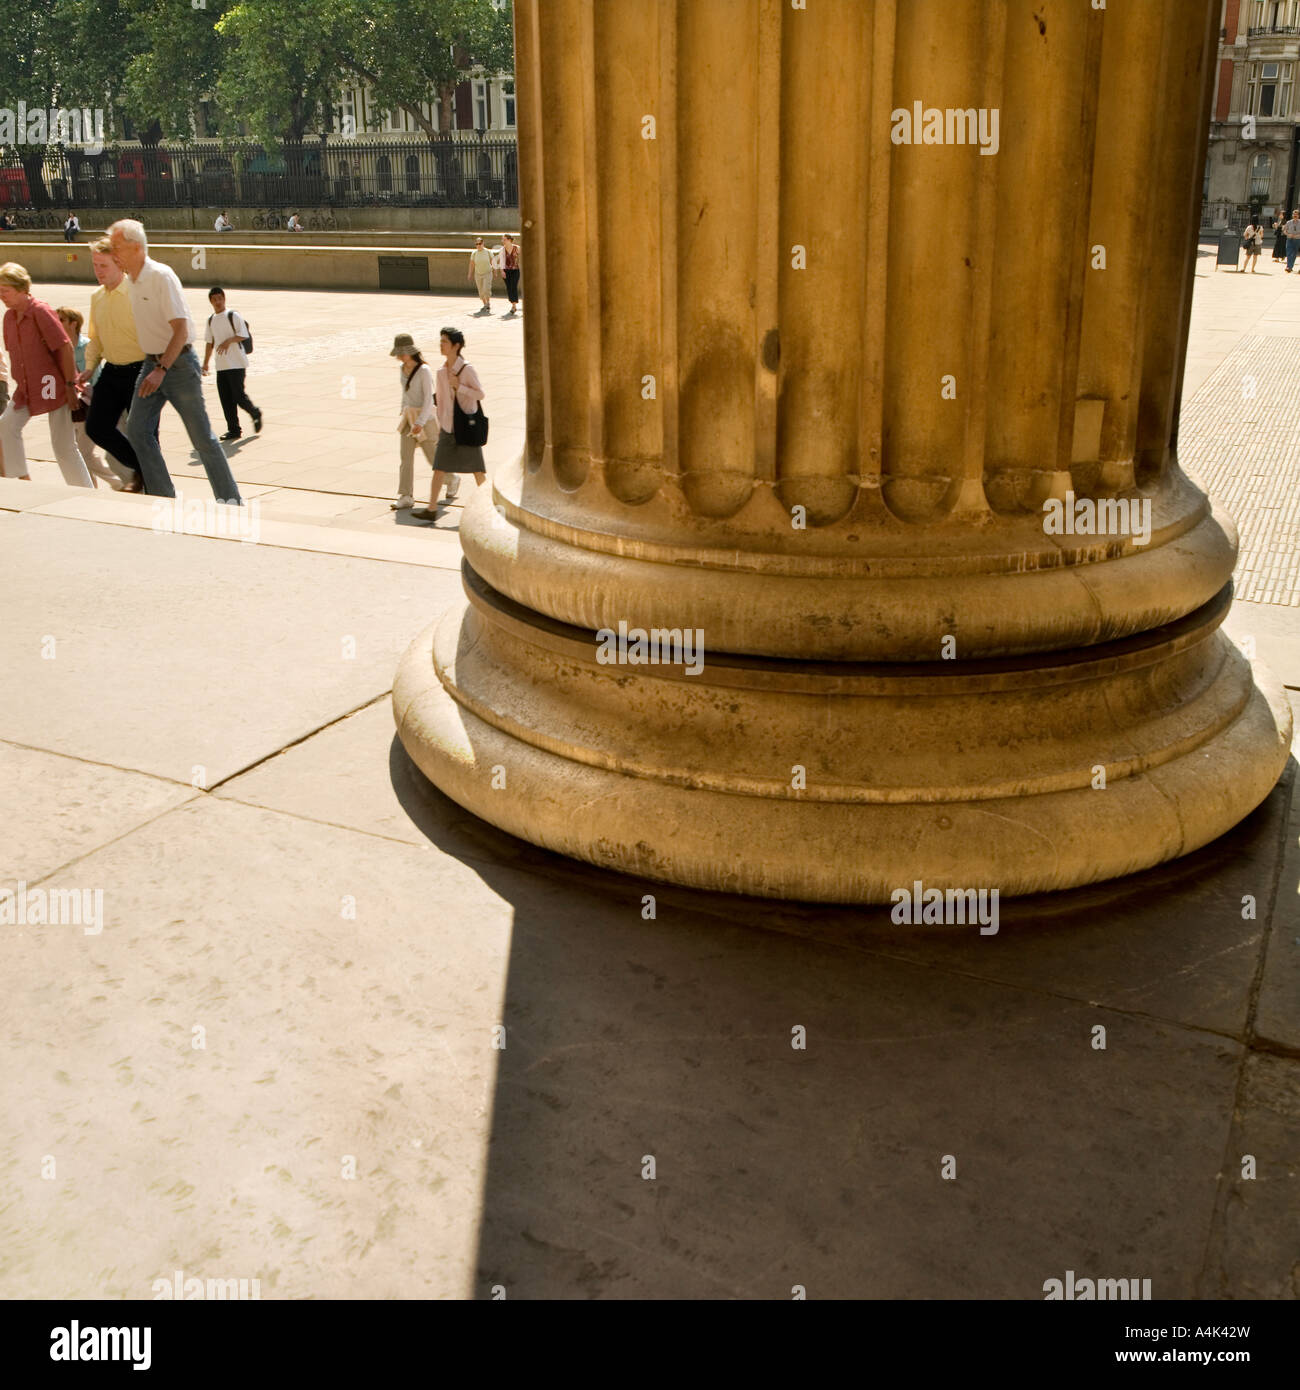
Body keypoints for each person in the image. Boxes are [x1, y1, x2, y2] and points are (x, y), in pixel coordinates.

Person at [107, 218, 241, 503]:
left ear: (137, 248)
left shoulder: (160, 276)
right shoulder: (131, 279)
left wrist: (161, 369)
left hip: (177, 365)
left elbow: (181, 328)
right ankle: (162, 496)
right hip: (152, 363)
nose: (113, 253)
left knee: (202, 438)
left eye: (117, 247)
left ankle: (230, 501)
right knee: (138, 431)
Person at [0, 262, 92, 486]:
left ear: (22, 289)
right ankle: (19, 483)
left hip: (53, 385)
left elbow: (64, 347)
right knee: (6, 425)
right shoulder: (9, 318)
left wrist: (70, 386)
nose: (1, 295)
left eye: (5, 290)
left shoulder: (41, 311)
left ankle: (85, 493)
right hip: (27, 389)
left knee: (63, 446)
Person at [79, 236, 148, 492]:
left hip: (140, 370)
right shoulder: (97, 297)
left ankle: (152, 480)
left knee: (144, 433)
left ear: (119, 263)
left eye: (103, 265)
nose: (98, 271)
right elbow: (95, 338)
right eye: (95, 265)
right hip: (112, 371)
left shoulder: (135, 292)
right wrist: (88, 366)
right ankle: (142, 467)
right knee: (96, 427)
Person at [411, 327, 486, 522]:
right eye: (441, 341)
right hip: (447, 427)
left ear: (456, 345)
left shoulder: (467, 369)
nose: (441, 344)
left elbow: (480, 394)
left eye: (445, 341)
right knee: (439, 467)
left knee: (477, 470)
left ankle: (489, 507)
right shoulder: (441, 372)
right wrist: (440, 423)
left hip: (465, 427)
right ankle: (432, 508)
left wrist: (459, 386)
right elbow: (441, 401)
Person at [56, 305, 122, 488]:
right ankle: (91, 487)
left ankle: (118, 482)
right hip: (72, 405)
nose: (57, 323)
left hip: (91, 404)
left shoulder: (86, 346)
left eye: (61, 319)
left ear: (73, 324)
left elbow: (93, 378)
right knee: (84, 452)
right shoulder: (60, 347)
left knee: (83, 452)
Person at [201, 286, 262, 441]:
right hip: (221, 365)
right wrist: (206, 363)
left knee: (239, 396)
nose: (218, 302)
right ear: (211, 301)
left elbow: (243, 334)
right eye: (214, 299)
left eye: (220, 298)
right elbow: (209, 342)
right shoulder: (211, 320)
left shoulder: (233, 315)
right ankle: (233, 429)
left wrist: (229, 341)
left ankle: (255, 412)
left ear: (224, 298)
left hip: (237, 363)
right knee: (225, 399)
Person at [468, 236, 494, 315]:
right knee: (481, 291)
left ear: (483, 243)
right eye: (477, 244)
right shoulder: (474, 253)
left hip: (488, 273)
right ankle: (484, 304)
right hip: (478, 273)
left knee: (486, 289)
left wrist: (495, 271)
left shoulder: (488, 252)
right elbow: (472, 264)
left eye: (480, 243)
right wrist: (470, 274)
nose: (478, 245)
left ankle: (488, 303)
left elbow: (493, 262)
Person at [501, 233, 521, 317]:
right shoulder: (502, 249)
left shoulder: (517, 248)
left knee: (513, 286)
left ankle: (514, 306)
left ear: (509, 240)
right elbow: (502, 261)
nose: (503, 241)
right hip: (506, 271)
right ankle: (513, 304)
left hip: (515, 270)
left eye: (504, 239)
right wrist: (502, 271)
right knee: (509, 287)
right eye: (502, 239)